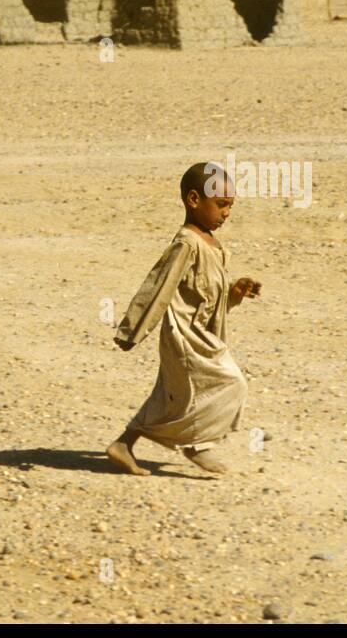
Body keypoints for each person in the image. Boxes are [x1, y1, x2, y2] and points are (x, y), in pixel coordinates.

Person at [105, 162, 261, 476]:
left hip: (203, 334)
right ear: (193, 200)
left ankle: (126, 445)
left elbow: (206, 294)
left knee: (175, 394)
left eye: (230, 206)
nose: (226, 213)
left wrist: (235, 292)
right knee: (231, 383)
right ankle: (193, 444)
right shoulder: (187, 244)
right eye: (220, 205)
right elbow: (158, 287)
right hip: (184, 335)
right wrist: (131, 331)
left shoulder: (214, 246)